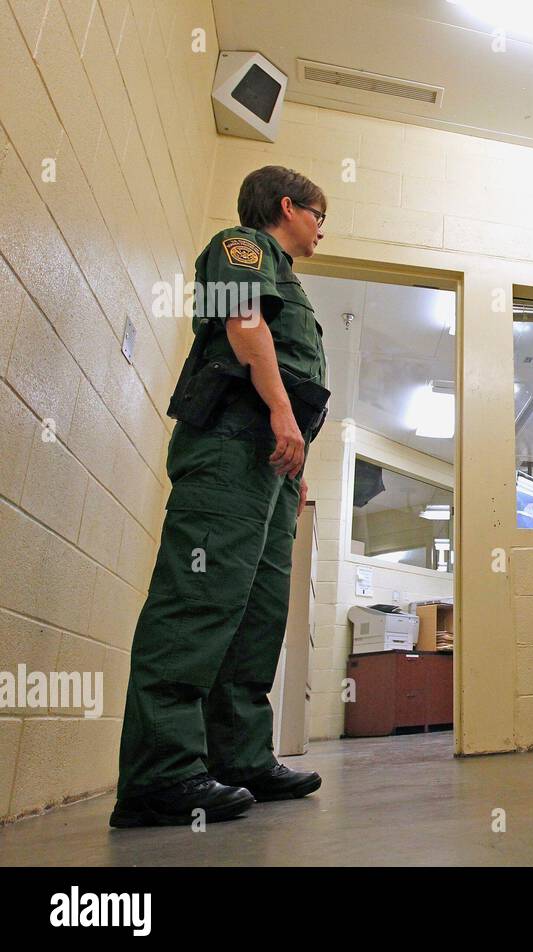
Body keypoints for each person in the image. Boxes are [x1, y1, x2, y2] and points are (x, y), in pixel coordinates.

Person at [111, 166, 330, 828]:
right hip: (233, 445)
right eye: (318, 214)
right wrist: (282, 416)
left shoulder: (288, 278)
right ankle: (161, 773)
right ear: (287, 207)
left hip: (271, 464)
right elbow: (243, 326)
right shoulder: (242, 246)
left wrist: (296, 468)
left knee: (258, 611)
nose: (321, 227)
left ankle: (237, 757)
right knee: (200, 601)